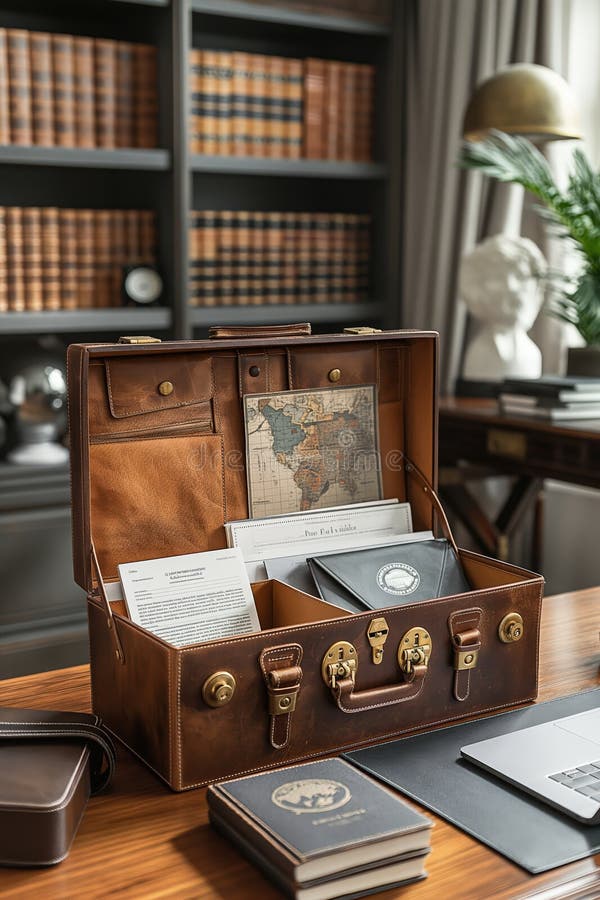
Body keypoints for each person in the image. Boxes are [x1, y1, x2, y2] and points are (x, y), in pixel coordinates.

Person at [459, 234, 548, 381]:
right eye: (498, 277)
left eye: (521, 276)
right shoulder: (479, 353)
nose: (512, 287)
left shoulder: (532, 354)